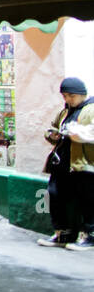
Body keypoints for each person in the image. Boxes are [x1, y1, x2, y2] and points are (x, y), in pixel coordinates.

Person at [39, 77, 94, 249]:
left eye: (71, 95)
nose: (68, 99)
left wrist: (80, 134)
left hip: (83, 162)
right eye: (64, 96)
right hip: (62, 161)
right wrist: (52, 135)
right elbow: (54, 128)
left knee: (87, 199)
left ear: (81, 94)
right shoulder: (64, 111)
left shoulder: (90, 110)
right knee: (55, 194)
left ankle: (89, 235)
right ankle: (62, 233)